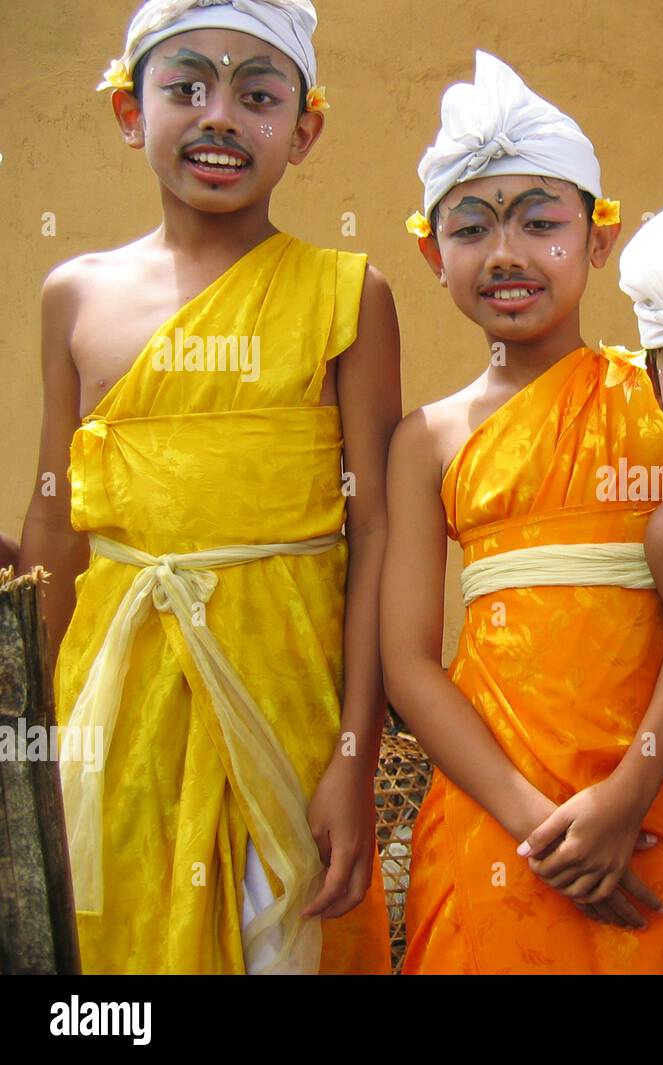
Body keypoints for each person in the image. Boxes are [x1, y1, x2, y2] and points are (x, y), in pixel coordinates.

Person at [19, 0, 399, 974]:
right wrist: (25, 738)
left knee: (286, 940)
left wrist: (355, 760)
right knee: (119, 952)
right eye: (185, 86)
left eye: (258, 94)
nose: (220, 116)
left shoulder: (347, 294)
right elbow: (57, 518)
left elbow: (378, 532)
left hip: (288, 708)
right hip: (115, 711)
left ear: (303, 129)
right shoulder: (76, 295)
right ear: (128, 111)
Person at [382, 51, 663, 975]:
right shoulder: (427, 440)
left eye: (541, 223)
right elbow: (408, 663)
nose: (507, 256)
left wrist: (628, 791)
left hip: (645, 810)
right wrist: (536, 824)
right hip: (492, 810)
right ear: (431, 251)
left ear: (598, 239)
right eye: (473, 227)